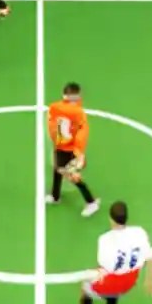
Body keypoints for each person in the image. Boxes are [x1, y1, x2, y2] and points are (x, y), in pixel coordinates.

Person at [72, 201, 152, 304]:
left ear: (111, 219)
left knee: (85, 287)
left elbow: (103, 268)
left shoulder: (105, 240)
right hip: (129, 283)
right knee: (114, 296)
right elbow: (150, 256)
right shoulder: (139, 233)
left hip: (110, 283)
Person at [47, 82, 100, 217]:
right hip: (63, 146)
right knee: (58, 169)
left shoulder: (56, 107)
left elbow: (53, 125)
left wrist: (78, 153)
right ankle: (55, 195)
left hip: (69, 148)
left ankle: (91, 202)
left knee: (72, 176)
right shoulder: (78, 113)